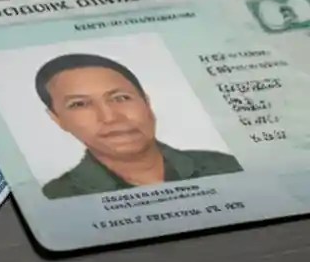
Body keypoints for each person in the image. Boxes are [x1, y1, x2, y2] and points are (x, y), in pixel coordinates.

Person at [34, 54, 240, 199]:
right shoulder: (57, 198)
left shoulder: (225, 167)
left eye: (120, 98)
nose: (110, 117)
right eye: (79, 104)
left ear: (146, 103)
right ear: (57, 119)